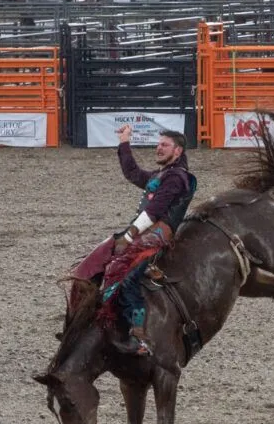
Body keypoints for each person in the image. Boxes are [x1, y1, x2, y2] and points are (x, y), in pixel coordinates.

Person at [67, 125, 196, 356]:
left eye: (164, 145)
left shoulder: (178, 177)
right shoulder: (162, 175)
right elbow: (133, 173)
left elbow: (155, 211)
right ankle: (79, 321)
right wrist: (124, 141)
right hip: (141, 231)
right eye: (158, 144)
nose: (158, 148)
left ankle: (139, 337)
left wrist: (128, 236)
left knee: (124, 275)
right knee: (89, 265)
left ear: (177, 151)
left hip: (157, 236)